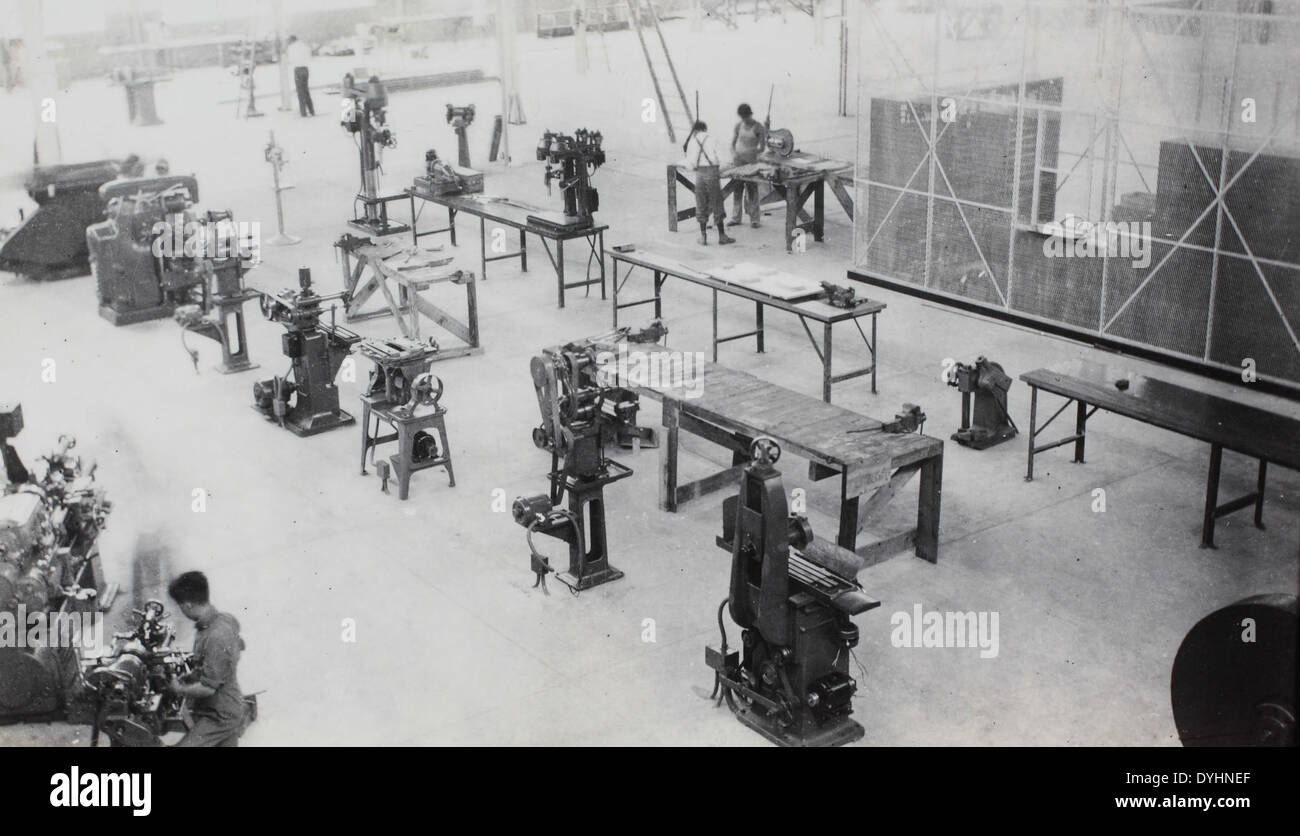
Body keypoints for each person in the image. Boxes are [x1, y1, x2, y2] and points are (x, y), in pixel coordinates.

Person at [166, 571, 249, 747]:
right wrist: (195, 675)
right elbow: (239, 646)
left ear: (187, 605)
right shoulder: (223, 619)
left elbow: (208, 688)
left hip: (220, 715)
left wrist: (179, 689)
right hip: (228, 703)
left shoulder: (216, 637)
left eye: (180, 606)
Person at [681, 120, 734, 246]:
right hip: (712, 172)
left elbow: (689, 164)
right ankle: (722, 236)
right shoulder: (712, 139)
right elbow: (723, 158)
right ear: (705, 129)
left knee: (701, 203)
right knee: (717, 202)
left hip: (699, 174)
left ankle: (703, 236)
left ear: (695, 130)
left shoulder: (692, 141)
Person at [730, 103, 767, 228]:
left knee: (752, 190)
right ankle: (736, 218)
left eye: (746, 117)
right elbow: (733, 143)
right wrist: (734, 154)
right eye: (742, 117)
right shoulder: (738, 126)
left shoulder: (758, 127)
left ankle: (755, 219)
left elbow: (762, 148)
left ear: (750, 114)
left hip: (751, 162)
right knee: (737, 189)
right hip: (738, 162)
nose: (744, 119)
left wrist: (753, 152)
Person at [286, 35, 314, 117]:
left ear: (291, 41)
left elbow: (290, 60)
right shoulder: (305, 46)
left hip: (298, 70)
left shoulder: (291, 48)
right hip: (305, 69)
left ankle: (303, 112)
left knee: (300, 92)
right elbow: (310, 57)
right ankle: (312, 110)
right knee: (306, 90)